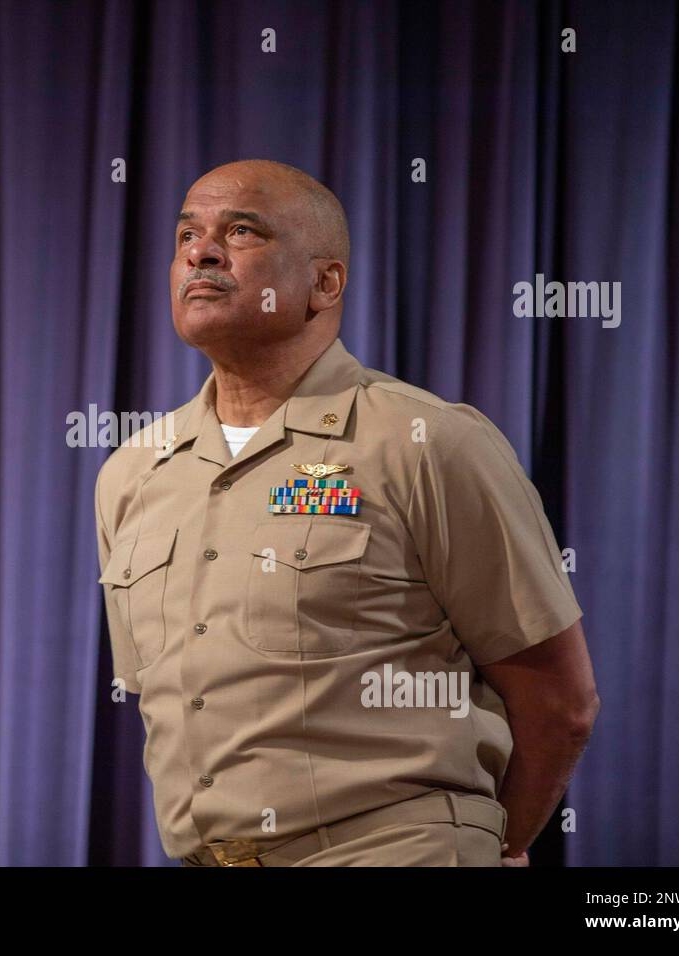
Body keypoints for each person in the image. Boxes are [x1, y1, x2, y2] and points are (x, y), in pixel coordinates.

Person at [93, 159, 599, 866]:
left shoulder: (427, 443)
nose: (199, 252)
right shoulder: (134, 471)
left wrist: (492, 849)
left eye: (240, 232)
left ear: (324, 284)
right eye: (186, 234)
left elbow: (559, 700)